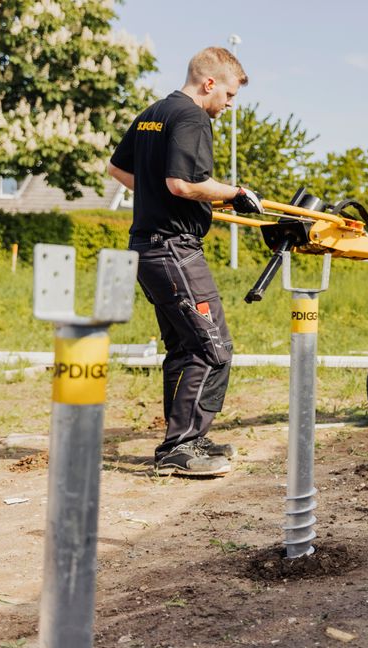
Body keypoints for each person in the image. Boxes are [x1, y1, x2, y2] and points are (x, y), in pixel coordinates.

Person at [106, 47, 264, 477]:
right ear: (209, 83)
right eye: (229, 95)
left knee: (183, 346)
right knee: (214, 347)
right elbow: (182, 183)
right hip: (174, 248)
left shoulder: (152, 112)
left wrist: (163, 193)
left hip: (147, 248)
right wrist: (235, 193)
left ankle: (185, 440)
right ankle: (182, 445)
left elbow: (117, 170)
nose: (229, 106)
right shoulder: (193, 116)